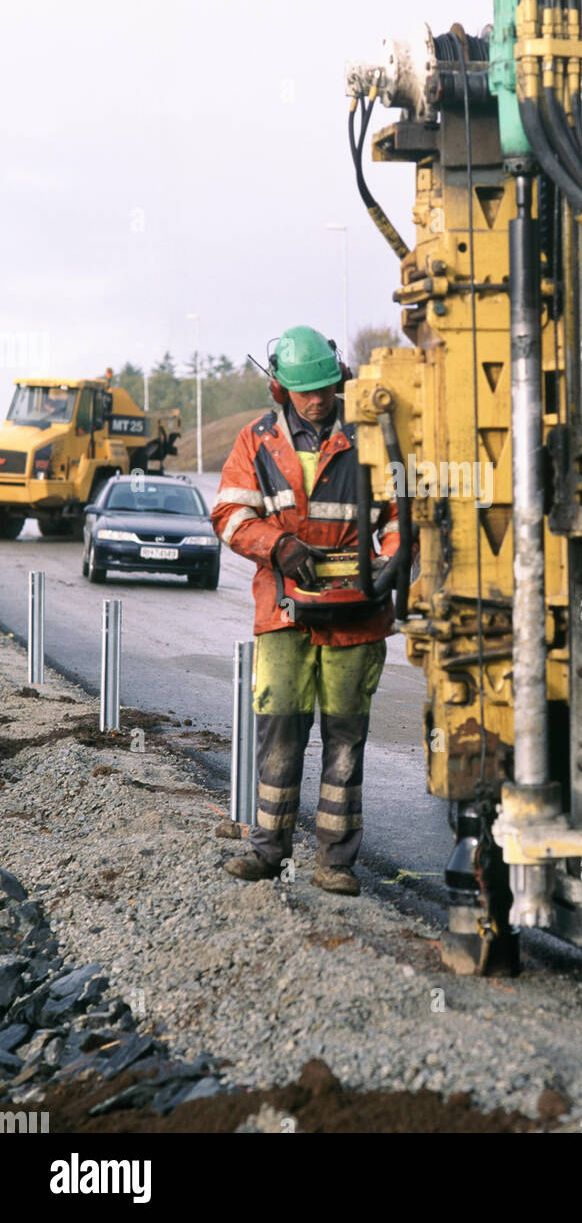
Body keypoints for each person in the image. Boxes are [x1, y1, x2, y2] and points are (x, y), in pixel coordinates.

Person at [211, 325, 399, 896]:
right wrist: (279, 547)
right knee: (281, 733)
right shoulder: (256, 441)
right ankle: (269, 851)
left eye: (326, 386)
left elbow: (399, 517)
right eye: (306, 390)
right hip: (284, 611)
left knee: (345, 737)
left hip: (354, 616)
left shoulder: (372, 438)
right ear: (281, 389)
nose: (318, 398)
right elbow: (229, 515)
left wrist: (391, 563)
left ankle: (335, 864)